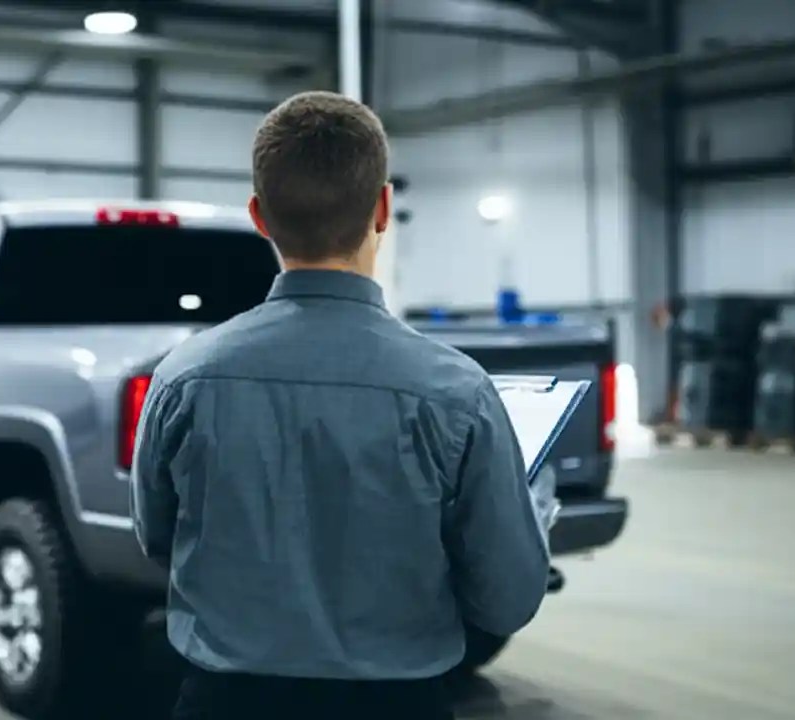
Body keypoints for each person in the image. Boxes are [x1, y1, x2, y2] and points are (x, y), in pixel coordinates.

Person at [130, 91, 551, 720]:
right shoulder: (457, 392)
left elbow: (157, 535)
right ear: (382, 209)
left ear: (259, 216)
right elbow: (507, 601)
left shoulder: (183, 379)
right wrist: (531, 519)